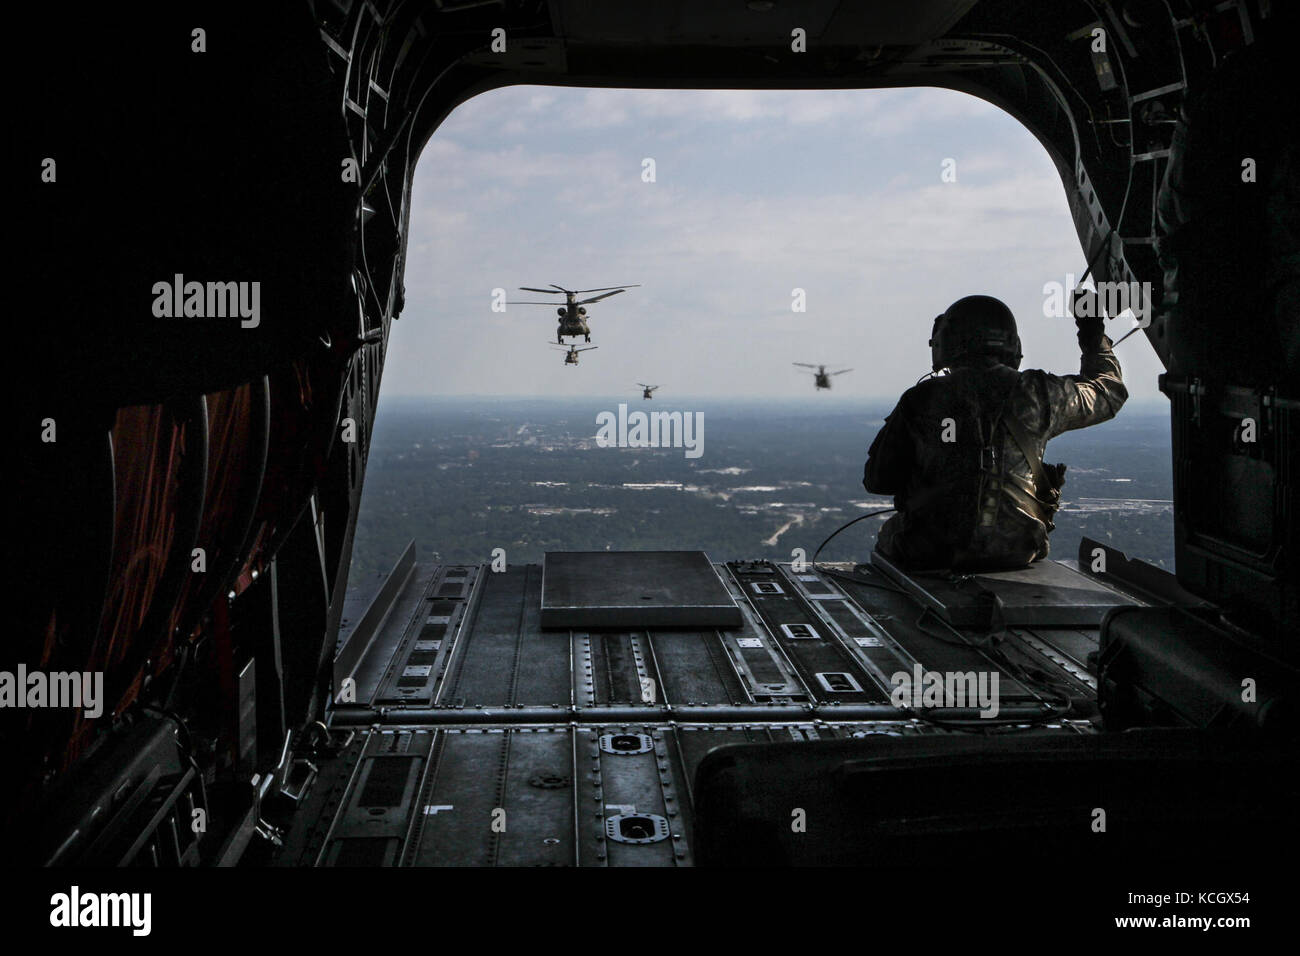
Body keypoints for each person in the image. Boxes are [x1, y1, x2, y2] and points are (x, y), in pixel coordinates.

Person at [863, 294, 1127, 572]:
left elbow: (878, 480)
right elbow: (1108, 393)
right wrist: (1092, 333)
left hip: (929, 551)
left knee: (889, 536)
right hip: (1018, 549)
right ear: (1013, 344)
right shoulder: (1040, 393)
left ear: (947, 342)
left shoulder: (921, 399)